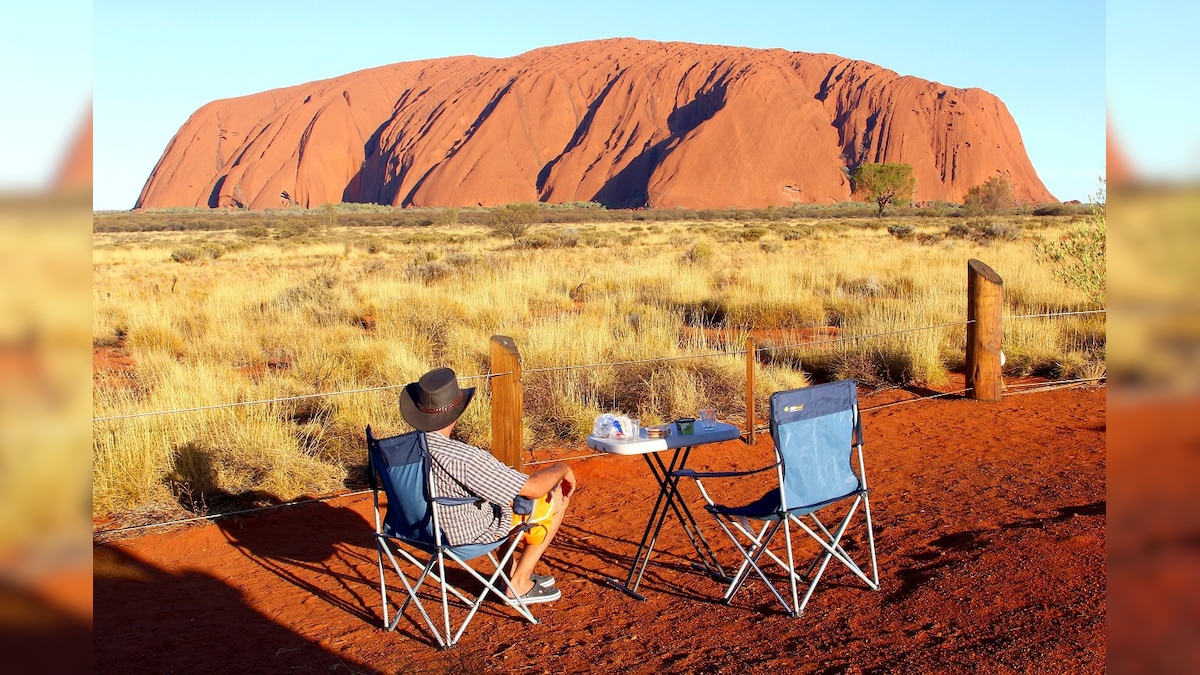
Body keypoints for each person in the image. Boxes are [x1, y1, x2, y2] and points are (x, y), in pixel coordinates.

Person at [399, 366, 576, 604]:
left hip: (415, 532)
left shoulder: (399, 452)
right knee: (551, 499)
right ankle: (519, 583)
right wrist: (562, 468)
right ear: (456, 410)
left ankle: (508, 575)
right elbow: (533, 489)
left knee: (498, 498)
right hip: (463, 537)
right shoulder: (461, 456)